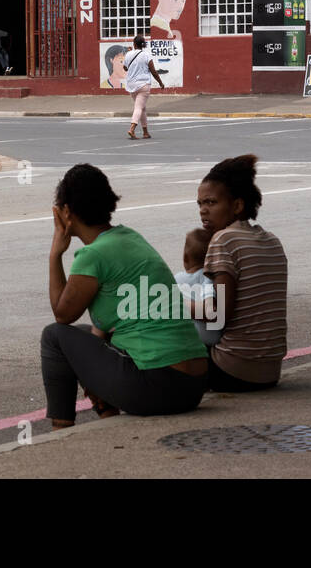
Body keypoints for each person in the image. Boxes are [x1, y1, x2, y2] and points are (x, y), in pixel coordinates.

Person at [41, 164, 210, 427]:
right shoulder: (130, 238)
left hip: (158, 387)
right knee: (87, 336)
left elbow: (63, 314)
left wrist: (55, 253)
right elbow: (102, 331)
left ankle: (60, 428)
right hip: (193, 386)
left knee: (54, 336)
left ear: (65, 212)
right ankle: (108, 417)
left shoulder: (93, 255)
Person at [196, 155, 288, 391]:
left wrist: (174, 304)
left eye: (211, 203)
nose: (203, 211)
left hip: (233, 370)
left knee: (156, 317)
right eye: (200, 204)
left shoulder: (224, 240)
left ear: (237, 205)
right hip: (269, 371)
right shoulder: (272, 240)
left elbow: (217, 315)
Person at [174, 229, 224, 347]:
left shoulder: (178, 279)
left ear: (185, 258)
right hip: (213, 341)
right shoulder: (212, 279)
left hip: (188, 341)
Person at [124, 35, 165, 139]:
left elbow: (125, 68)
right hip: (143, 85)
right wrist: (160, 83)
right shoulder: (146, 56)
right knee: (139, 107)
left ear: (134, 44)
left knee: (142, 108)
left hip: (131, 85)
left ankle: (145, 132)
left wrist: (128, 54)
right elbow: (154, 72)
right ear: (143, 45)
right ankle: (132, 129)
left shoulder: (128, 54)